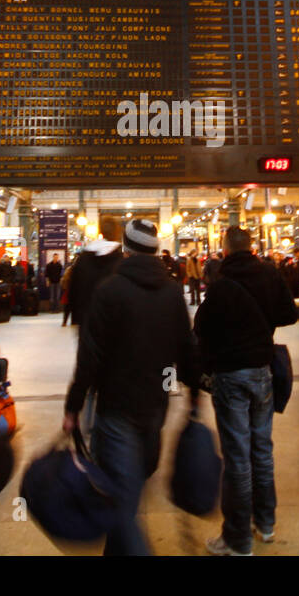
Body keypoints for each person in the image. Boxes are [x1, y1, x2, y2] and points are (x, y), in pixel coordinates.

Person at [63, 219, 201, 555]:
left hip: (117, 407)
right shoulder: (171, 292)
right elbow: (186, 348)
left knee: (124, 506)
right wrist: (194, 397)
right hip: (156, 406)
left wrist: (73, 405)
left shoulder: (110, 290)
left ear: (125, 249)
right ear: (155, 249)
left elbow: (90, 356)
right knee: (130, 488)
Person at [193, 225, 296, 555]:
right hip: (263, 372)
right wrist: (263, 326)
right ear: (251, 247)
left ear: (225, 249)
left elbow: (201, 328)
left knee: (238, 458)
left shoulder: (222, 285)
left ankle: (237, 539)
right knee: (262, 449)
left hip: (231, 376)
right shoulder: (270, 274)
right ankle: (265, 523)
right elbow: (289, 313)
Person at [65, 216, 125, 331]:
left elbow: (73, 289)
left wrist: (77, 318)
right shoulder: (121, 261)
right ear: (117, 233)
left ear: (101, 231)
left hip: (87, 322)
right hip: (114, 326)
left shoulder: (84, 258)